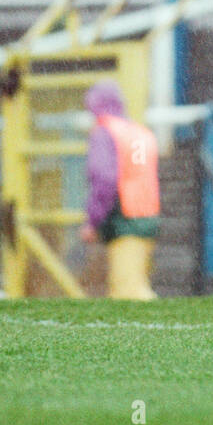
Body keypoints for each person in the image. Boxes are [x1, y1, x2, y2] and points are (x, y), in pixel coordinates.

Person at [80, 80, 160, 299]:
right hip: (146, 218)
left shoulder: (105, 133)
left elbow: (104, 180)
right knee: (135, 285)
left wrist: (93, 220)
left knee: (129, 292)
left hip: (125, 220)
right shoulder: (137, 131)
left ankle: (166, 333)